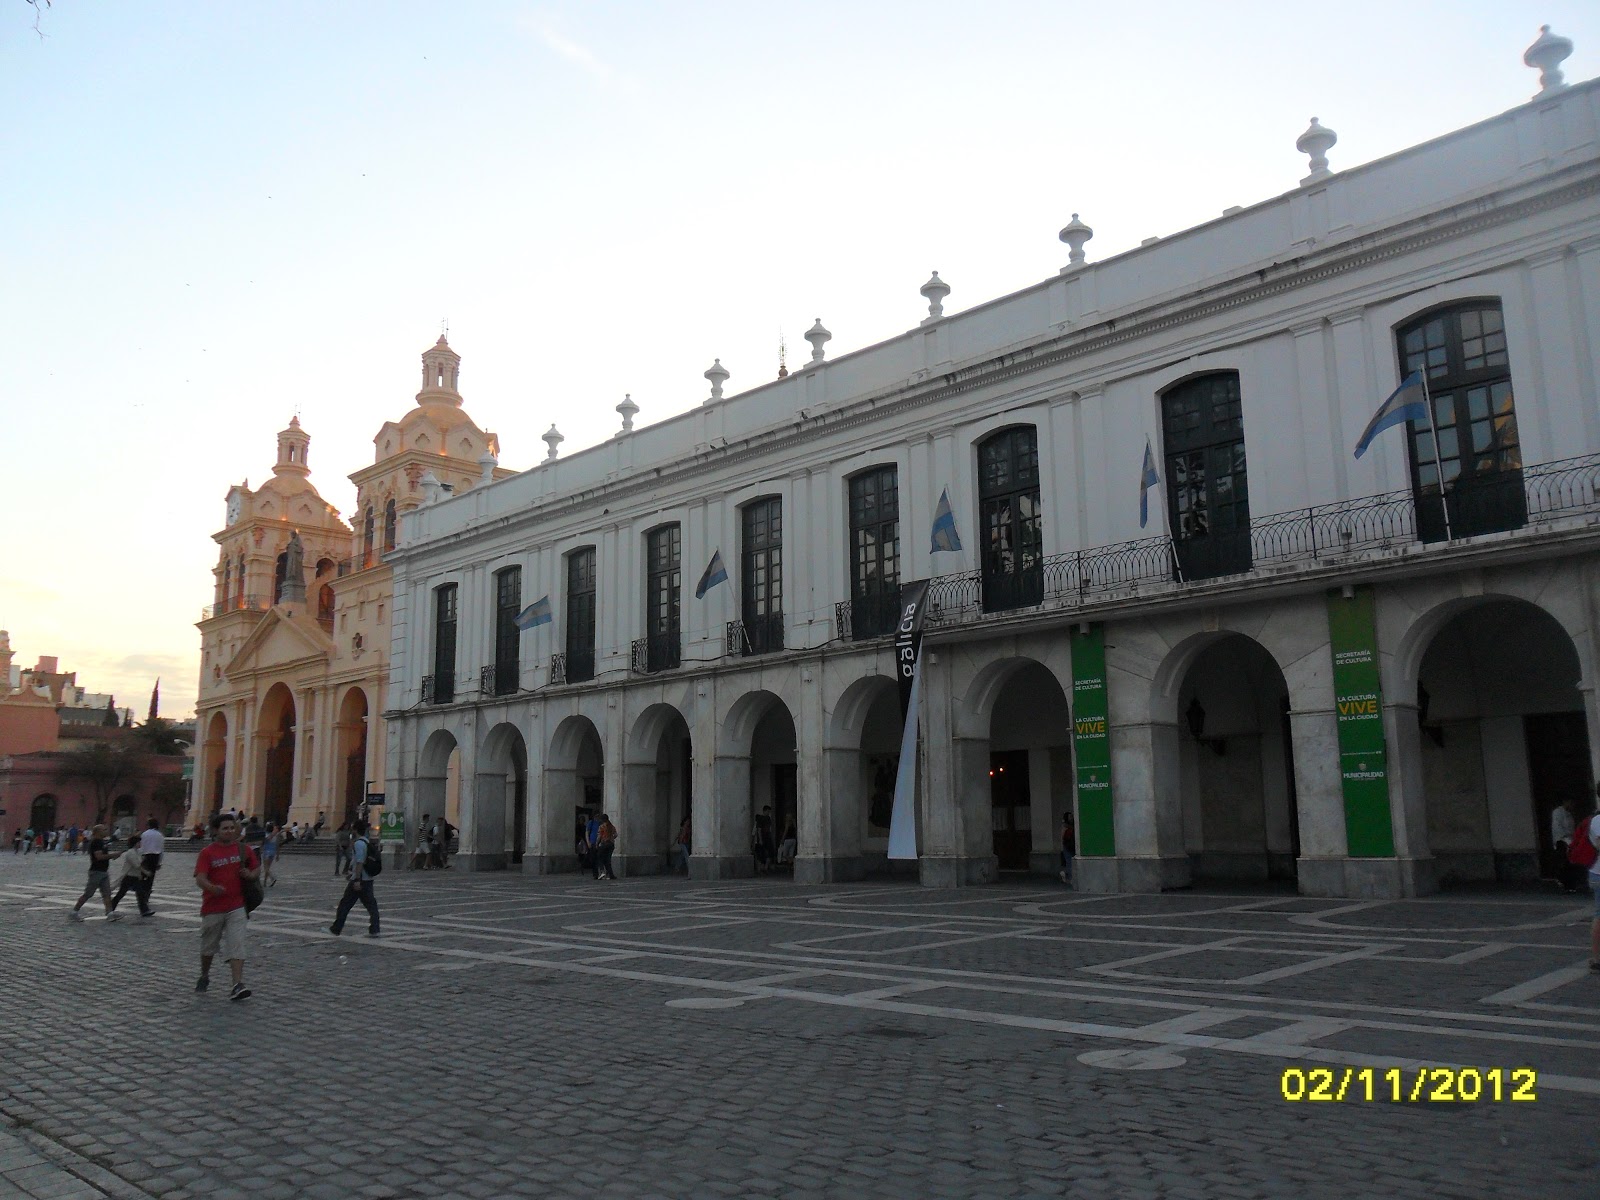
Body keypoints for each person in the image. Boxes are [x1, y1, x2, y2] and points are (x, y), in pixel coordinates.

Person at [194, 814, 258, 1000]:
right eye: (225, 828)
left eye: (232, 828)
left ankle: (237, 984)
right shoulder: (207, 852)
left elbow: (256, 869)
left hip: (237, 906)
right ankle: (205, 975)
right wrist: (212, 888)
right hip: (212, 907)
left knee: (237, 944)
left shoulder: (243, 849)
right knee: (208, 948)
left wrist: (251, 874)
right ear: (215, 831)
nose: (229, 831)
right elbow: (200, 878)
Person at [329, 819, 381, 937]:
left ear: (356, 830)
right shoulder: (366, 841)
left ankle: (336, 929)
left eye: (353, 828)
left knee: (345, 905)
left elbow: (359, 862)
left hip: (360, 880)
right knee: (371, 906)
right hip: (367, 879)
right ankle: (375, 929)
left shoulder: (359, 843)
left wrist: (356, 879)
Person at [70, 824, 119, 921]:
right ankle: (74, 912)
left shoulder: (101, 842)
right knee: (88, 894)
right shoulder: (96, 842)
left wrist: (111, 856)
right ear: (97, 832)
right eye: (104, 829)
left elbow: (103, 855)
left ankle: (110, 914)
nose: (106, 831)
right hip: (96, 872)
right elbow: (99, 857)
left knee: (107, 894)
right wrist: (113, 855)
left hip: (103, 871)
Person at [108, 836, 150, 915]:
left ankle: (144, 910)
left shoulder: (137, 852)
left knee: (139, 893)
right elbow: (136, 865)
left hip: (134, 876)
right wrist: (145, 872)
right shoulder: (131, 852)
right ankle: (110, 908)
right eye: (139, 842)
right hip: (129, 876)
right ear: (135, 843)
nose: (140, 844)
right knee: (122, 893)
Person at [1554, 798, 1585, 894]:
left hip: (1570, 841)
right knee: (1566, 864)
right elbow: (1557, 828)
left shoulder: (1569, 814)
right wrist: (1566, 840)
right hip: (1562, 841)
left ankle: (1571, 884)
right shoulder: (1558, 813)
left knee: (1571, 864)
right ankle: (1566, 883)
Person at [137, 817, 164, 911]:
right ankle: (147, 894)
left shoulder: (144, 834)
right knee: (150, 878)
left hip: (145, 856)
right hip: (155, 857)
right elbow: (161, 849)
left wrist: (139, 857)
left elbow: (141, 847)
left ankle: (142, 894)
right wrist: (160, 862)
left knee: (142, 875)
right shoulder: (160, 835)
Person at [594, 813, 617, 881]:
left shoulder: (602, 827)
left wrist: (596, 844)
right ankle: (610, 875)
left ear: (602, 819)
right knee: (608, 859)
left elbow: (599, 836)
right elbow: (616, 835)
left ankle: (602, 872)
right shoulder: (612, 826)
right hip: (611, 844)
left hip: (604, 844)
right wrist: (611, 838)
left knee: (600, 857)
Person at [752, 806, 776, 874]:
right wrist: (760, 840)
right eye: (768, 811)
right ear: (764, 811)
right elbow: (759, 830)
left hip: (767, 837)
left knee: (770, 852)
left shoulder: (768, 818)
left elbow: (769, 829)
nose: (769, 813)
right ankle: (762, 867)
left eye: (769, 811)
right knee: (761, 853)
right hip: (763, 838)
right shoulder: (760, 819)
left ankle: (765, 867)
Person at [1060, 811, 1077, 885]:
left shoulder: (1070, 826)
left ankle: (1067, 875)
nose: (1071, 818)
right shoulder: (1066, 826)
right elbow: (1063, 837)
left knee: (1070, 862)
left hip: (1070, 845)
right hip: (1068, 846)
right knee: (1069, 862)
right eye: (1070, 817)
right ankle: (1069, 877)